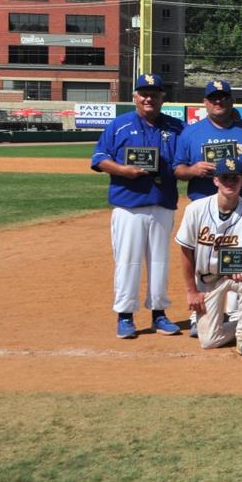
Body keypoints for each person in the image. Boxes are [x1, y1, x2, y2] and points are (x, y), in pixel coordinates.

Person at [90, 71, 184, 339]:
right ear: (135, 97)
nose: (148, 98)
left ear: (162, 97)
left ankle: (159, 314)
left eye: (154, 94)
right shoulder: (119, 125)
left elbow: (185, 158)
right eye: (144, 94)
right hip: (128, 205)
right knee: (127, 262)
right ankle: (125, 316)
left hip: (162, 203)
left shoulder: (176, 127)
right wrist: (122, 170)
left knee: (159, 262)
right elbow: (98, 158)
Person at [173, 154, 242, 359]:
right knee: (208, 341)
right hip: (207, 281)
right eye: (225, 178)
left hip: (235, 278)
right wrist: (191, 291)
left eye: (235, 178)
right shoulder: (196, 209)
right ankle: (241, 324)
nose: (230, 183)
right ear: (215, 180)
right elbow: (186, 251)